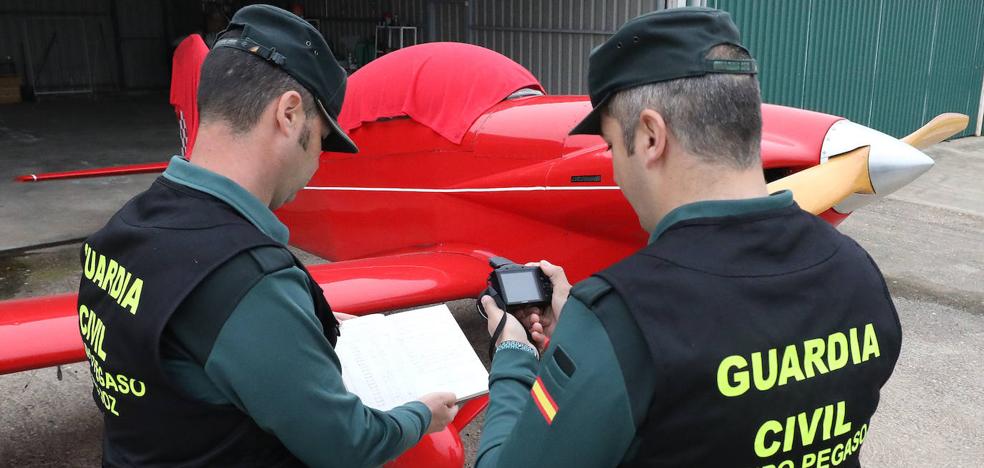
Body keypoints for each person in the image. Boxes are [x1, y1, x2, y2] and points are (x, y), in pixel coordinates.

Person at [476, 7, 901, 467]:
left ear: (651, 136)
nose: (617, 171)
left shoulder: (622, 319)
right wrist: (582, 345)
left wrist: (515, 351)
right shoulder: (857, 271)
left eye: (614, 148)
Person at [76, 5, 456, 467]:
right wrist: (422, 415)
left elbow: (181, 341)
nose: (317, 164)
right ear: (290, 114)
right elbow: (346, 444)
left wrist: (295, 321)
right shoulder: (246, 279)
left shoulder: (127, 226)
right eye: (321, 140)